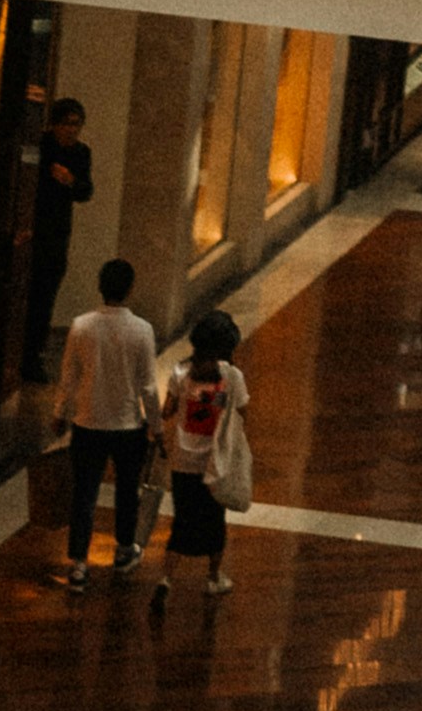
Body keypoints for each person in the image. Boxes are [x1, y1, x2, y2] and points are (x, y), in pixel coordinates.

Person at [54, 257, 161, 595]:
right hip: (128, 425)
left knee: (83, 494)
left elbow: (69, 376)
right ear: (129, 289)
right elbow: (148, 385)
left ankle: (79, 565)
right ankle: (124, 549)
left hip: (87, 422)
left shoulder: (81, 326)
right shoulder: (142, 330)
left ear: (100, 287)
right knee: (127, 492)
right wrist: (156, 426)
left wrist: (60, 413)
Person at [150, 306, 250, 615]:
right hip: (213, 462)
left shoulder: (180, 372)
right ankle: (213, 576)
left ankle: (166, 578)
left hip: (182, 462)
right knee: (214, 521)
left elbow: (167, 411)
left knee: (182, 522)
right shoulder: (232, 377)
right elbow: (242, 413)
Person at [16, 89, 95, 386]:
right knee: (23, 292)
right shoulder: (40, 148)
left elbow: (86, 191)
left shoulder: (80, 154)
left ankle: (32, 355)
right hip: (31, 228)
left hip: (56, 233)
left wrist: (70, 180)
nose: (72, 130)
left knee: (44, 297)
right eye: (67, 124)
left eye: (77, 124)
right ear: (55, 125)